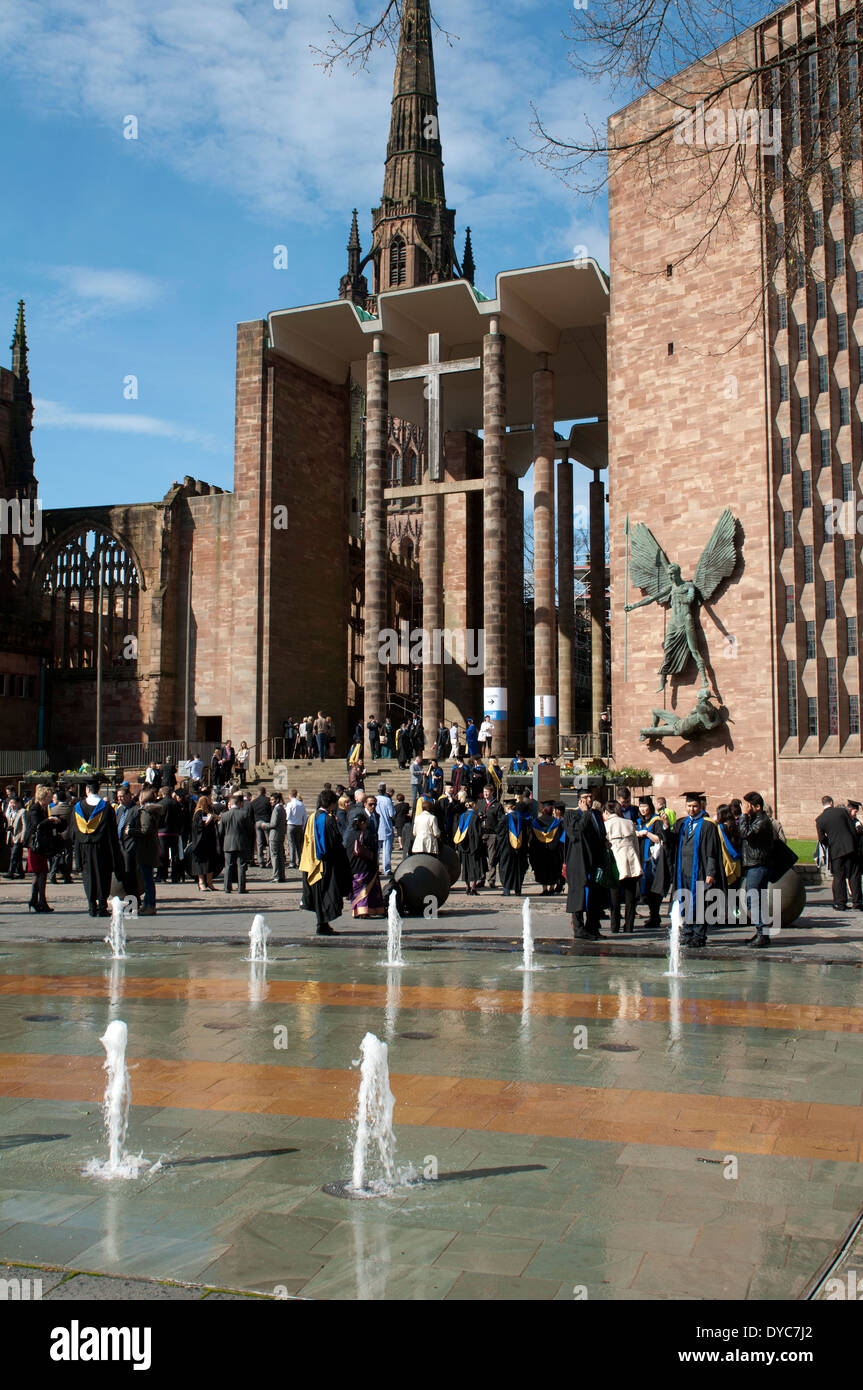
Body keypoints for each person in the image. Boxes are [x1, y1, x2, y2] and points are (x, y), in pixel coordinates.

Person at [665, 791, 725, 948]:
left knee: (699, 903)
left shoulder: (707, 825)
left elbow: (712, 851)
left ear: (701, 806)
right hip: (683, 871)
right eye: (689, 806)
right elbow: (671, 841)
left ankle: (699, 935)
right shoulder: (682, 823)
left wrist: (711, 873)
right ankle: (687, 932)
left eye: (695, 806)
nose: (692, 809)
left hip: (699, 871)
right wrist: (665, 826)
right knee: (684, 901)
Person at [301, 789, 352, 934]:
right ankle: (323, 924)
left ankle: (321, 922)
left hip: (313, 861)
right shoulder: (328, 819)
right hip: (326, 862)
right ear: (331, 804)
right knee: (327, 893)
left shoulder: (312, 817)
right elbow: (335, 842)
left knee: (319, 894)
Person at [72, 777, 122, 918]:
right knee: (102, 876)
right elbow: (112, 833)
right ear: (98, 790)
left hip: (84, 848)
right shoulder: (106, 808)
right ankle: (102, 907)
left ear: (87, 790)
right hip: (102, 848)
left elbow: (74, 832)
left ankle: (91, 907)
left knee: (88, 877)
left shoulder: (78, 808)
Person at [564, 790, 607, 939]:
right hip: (578, 861)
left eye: (590, 796)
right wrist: (586, 813)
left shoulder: (596, 814)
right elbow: (576, 833)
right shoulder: (572, 815)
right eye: (585, 797)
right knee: (578, 896)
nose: (589, 799)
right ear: (579, 800)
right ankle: (579, 929)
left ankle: (593, 927)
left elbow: (601, 833)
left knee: (595, 895)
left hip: (595, 860)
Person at [738, 791, 775, 946]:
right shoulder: (758, 819)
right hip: (755, 865)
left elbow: (744, 833)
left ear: (757, 806)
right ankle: (762, 933)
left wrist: (744, 816)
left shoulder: (762, 821)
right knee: (758, 899)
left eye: (748, 805)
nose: (745, 808)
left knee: (752, 898)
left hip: (758, 865)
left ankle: (762, 932)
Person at [815, 796, 862, 911]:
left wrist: (830, 843)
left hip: (835, 850)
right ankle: (857, 902)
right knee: (854, 875)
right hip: (850, 847)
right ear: (831, 802)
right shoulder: (841, 811)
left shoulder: (819, 820)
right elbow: (851, 827)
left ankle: (840, 904)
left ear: (823, 804)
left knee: (838, 877)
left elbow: (821, 839)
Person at [23, 785, 63, 914]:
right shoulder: (35, 808)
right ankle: (41, 901)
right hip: (35, 846)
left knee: (40, 873)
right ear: (44, 797)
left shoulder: (43, 808)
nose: (51, 799)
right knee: (40, 873)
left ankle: (35, 900)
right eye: (49, 796)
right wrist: (49, 820)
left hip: (40, 846)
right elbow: (36, 825)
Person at [604, 801, 642, 933]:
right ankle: (629, 926)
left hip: (615, 863)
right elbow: (636, 845)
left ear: (607, 812)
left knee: (614, 898)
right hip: (631, 862)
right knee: (630, 898)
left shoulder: (606, 825)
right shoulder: (629, 823)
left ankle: (614, 926)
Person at [346, 811, 386, 919]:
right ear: (362, 823)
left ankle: (356, 910)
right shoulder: (365, 834)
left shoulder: (350, 835)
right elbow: (372, 849)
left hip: (353, 865)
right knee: (365, 889)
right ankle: (364, 911)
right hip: (364, 865)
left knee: (356, 888)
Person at [636, 797, 665, 929]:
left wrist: (646, 833)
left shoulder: (656, 820)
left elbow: (658, 838)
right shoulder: (638, 821)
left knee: (654, 888)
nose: (642, 809)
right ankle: (653, 915)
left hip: (653, 859)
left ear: (650, 807)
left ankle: (655, 916)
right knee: (646, 889)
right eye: (641, 806)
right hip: (641, 857)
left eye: (645, 806)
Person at [528, 801, 565, 896]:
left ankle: (544, 889)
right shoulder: (556, 823)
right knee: (553, 869)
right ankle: (552, 888)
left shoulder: (536, 822)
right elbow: (560, 838)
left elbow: (533, 840)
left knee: (542, 869)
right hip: (553, 851)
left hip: (540, 851)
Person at [496, 798, 529, 898]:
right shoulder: (522, 819)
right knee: (518, 868)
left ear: (508, 807)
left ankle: (506, 890)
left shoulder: (505, 818)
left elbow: (499, 832)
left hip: (507, 848)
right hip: (520, 849)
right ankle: (518, 890)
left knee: (506, 867)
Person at [454, 799, 485, 895]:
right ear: (474, 805)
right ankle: (473, 887)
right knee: (475, 867)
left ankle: (467, 887)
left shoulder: (462, 816)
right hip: (473, 847)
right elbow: (478, 832)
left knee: (466, 867)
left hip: (463, 846)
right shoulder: (475, 817)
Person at [190, 795, 219, 891]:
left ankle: (209, 882)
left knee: (210, 863)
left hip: (209, 842)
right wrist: (208, 820)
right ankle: (201, 882)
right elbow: (200, 827)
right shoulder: (199, 813)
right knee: (201, 864)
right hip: (201, 843)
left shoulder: (208, 812)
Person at [48, 786, 73, 884]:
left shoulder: (53, 809)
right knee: (68, 855)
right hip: (68, 834)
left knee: (57, 855)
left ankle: (52, 874)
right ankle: (67, 876)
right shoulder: (71, 808)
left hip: (57, 835)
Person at [375, 782, 395, 879]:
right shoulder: (387, 800)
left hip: (377, 827)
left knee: (376, 850)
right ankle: (386, 869)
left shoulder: (374, 799)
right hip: (386, 826)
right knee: (386, 849)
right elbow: (392, 814)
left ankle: (376, 868)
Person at [286, 790, 307, 869]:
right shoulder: (301, 804)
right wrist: (303, 826)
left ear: (290, 795)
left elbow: (288, 815)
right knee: (298, 844)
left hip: (291, 824)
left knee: (291, 844)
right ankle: (299, 860)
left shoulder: (290, 804)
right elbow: (305, 816)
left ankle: (292, 861)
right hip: (299, 825)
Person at [251, 787, 272, 868]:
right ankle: (269, 860)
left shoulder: (254, 802)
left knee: (259, 843)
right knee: (268, 842)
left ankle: (260, 861)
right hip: (266, 822)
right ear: (265, 792)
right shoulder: (268, 800)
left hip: (257, 822)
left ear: (258, 793)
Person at [6, 796, 26, 880]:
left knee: (14, 855)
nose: (12, 805)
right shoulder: (10, 812)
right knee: (17, 856)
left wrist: (23, 836)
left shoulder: (22, 812)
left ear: (18, 803)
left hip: (18, 837)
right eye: (10, 803)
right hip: (11, 836)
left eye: (14, 803)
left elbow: (25, 825)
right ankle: (20, 872)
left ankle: (11, 872)